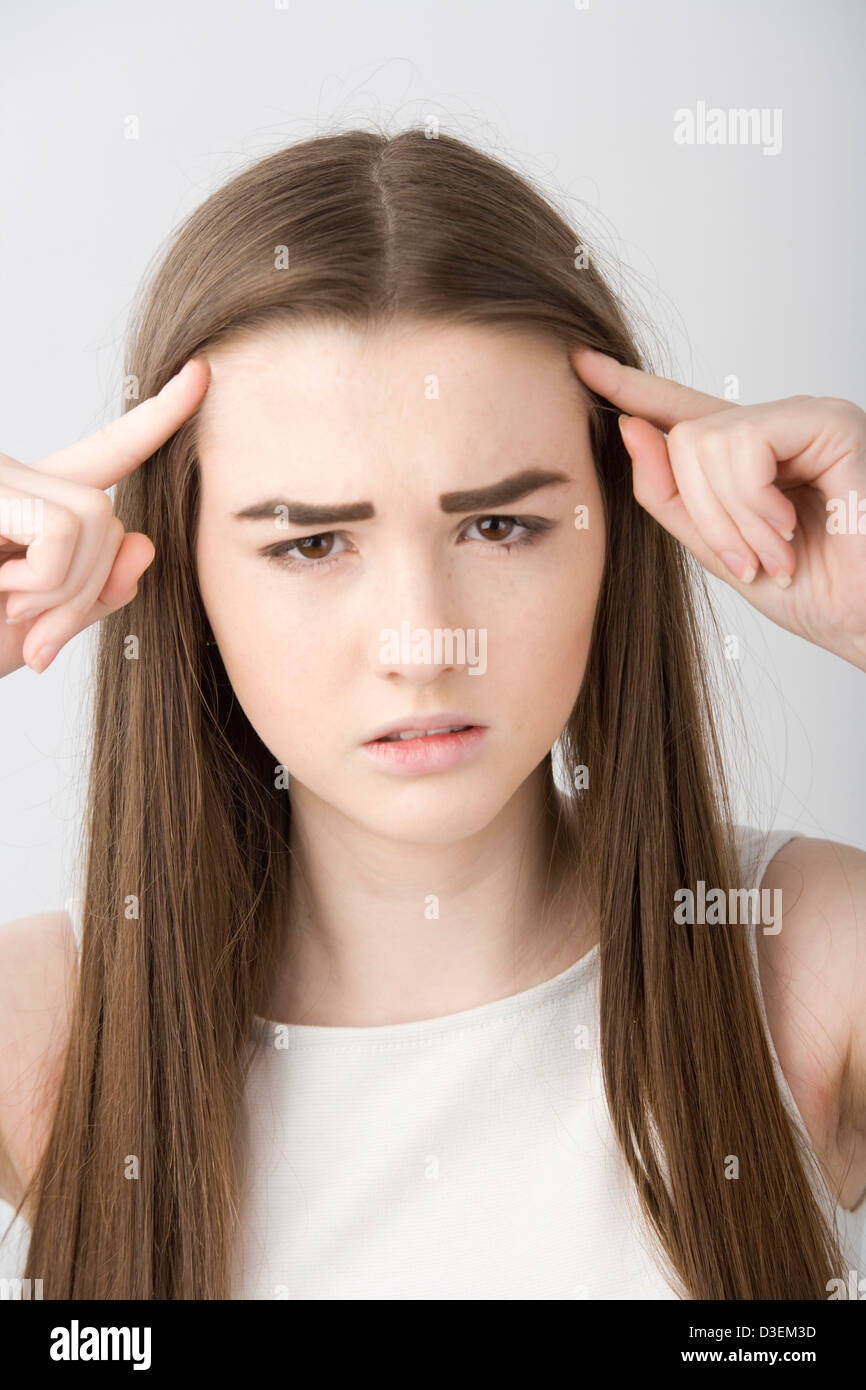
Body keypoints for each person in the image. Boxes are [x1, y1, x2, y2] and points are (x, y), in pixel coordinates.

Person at [0, 128, 863, 1300]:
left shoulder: (800, 951)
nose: (420, 641)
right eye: (311, 542)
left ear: (616, 529)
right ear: (181, 569)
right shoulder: (46, 1024)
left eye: (497, 525)